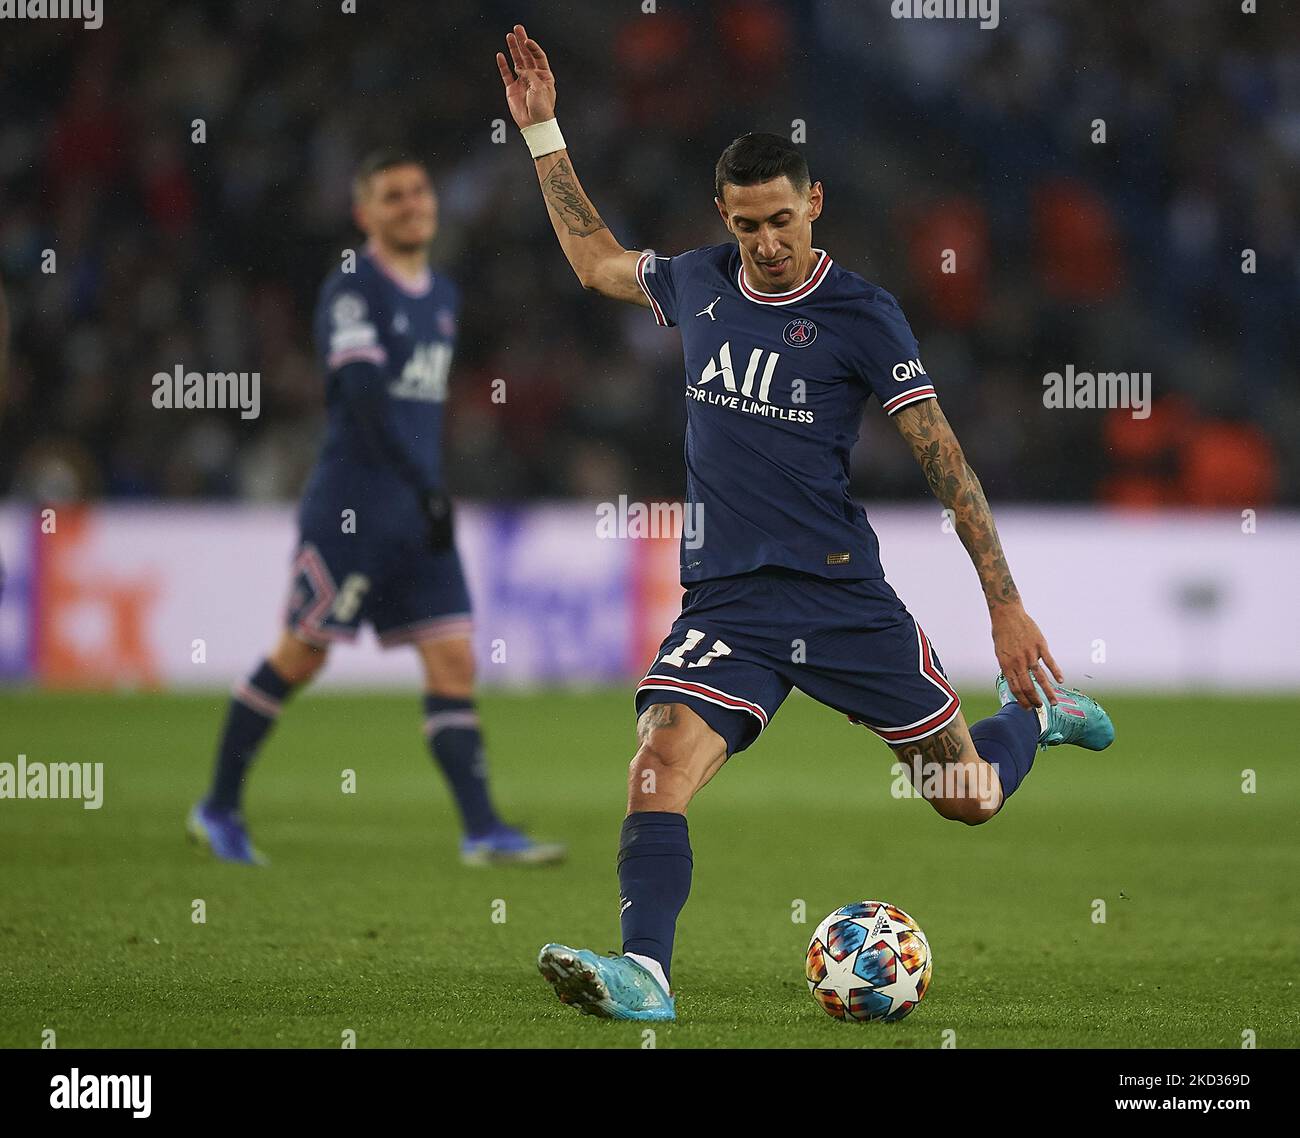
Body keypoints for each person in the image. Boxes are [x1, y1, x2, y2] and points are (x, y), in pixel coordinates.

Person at [495, 24, 1112, 1020]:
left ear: (814, 203)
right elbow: (596, 262)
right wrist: (542, 135)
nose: (768, 243)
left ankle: (1036, 715)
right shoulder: (695, 283)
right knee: (656, 764)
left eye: (783, 219)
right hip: (729, 601)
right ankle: (644, 973)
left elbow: (943, 460)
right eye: (747, 225)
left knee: (966, 798)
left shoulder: (863, 316)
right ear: (723, 218)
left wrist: (1004, 606)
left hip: (835, 595)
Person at [188, 151, 564, 868]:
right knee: (302, 654)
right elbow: (361, 398)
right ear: (364, 214)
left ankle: (482, 830)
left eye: (419, 191)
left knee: (452, 657)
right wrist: (419, 482)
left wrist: (428, 487)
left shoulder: (443, 294)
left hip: (419, 506)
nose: (412, 204)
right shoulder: (354, 287)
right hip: (354, 507)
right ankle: (218, 807)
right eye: (392, 197)